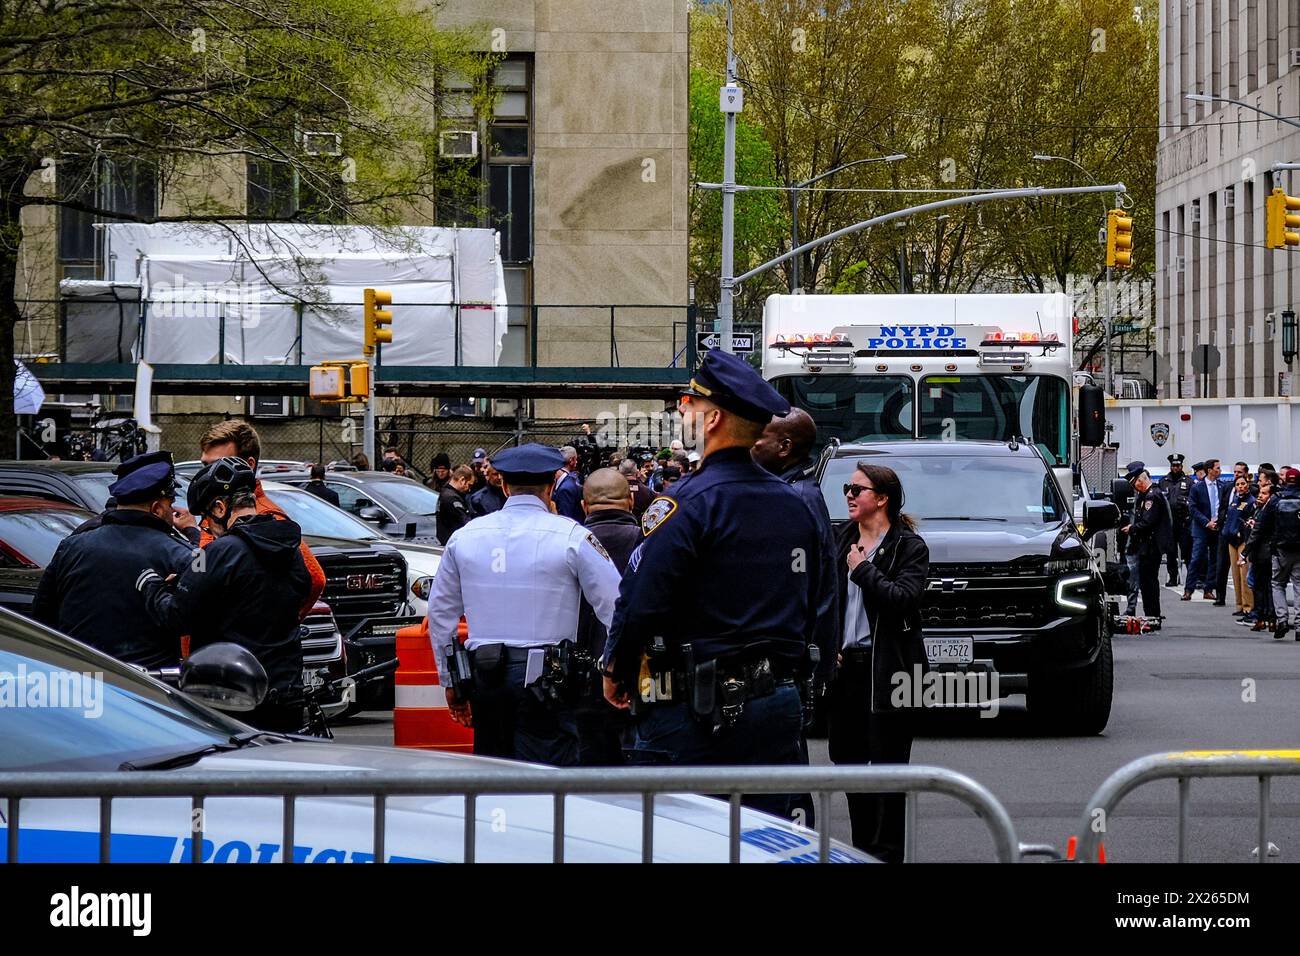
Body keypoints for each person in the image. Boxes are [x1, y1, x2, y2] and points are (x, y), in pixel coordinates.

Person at [602, 349, 824, 819]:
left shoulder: (686, 503)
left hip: (693, 712)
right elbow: (814, 600)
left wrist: (616, 668)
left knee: (679, 841)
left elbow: (641, 599)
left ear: (714, 418)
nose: (682, 410)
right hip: (775, 705)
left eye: (689, 403)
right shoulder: (795, 504)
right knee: (761, 840)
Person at [424, 443, 623, 765]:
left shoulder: (467, 535)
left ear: (503, 484)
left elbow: (441, 614)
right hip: (549, 678)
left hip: (485, 674)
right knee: (549, 773)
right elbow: (614, 605)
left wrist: (451, 681)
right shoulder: (570, 536)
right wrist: (615, 667)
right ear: (551, 486)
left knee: (494, 769)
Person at [137, 457, 312, 732]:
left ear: (220, 507)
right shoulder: (291, 549)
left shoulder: (215, 552)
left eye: (206, 522)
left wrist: (151, 585)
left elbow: (176, 616)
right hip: (286, 693)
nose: (207, 530)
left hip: (233, 697)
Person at [829, 461, 929, 862]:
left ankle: (887, 855)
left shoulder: (909, 546)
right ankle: (862, 852)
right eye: (847, 490)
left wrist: (863, 569)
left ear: (882, 499)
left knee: (888, 769)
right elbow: (822, 596)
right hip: (845, 666)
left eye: (858, 489)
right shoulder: (840, 538)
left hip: (888, 668)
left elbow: (901, 599)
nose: (850, 496)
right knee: (849, 764)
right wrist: (827, 639)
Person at [751, 405, 840, 830]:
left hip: (786, 662)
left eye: (761, 438)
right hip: (790, 659)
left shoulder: (799, 498)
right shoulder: (790, 491)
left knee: (785, 779)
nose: (752, 443)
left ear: (785, 447)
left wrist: (815, 664)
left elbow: (820, 589)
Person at [31, 451, 194, 668]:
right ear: (157, 508)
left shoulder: (72, 546)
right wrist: (194, 536)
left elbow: (41, 617)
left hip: (77, 679)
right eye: (170, 502)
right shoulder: (179, 554)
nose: (173, 509)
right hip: (145, 688)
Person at [197, 420, 324, 619]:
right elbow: (201, 572)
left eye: (218, 466)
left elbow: (315, 579)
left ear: (248, 465)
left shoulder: (266, 516)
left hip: (234, 647)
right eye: (205, 465)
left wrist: (277, 625)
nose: (206, 474)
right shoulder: (214, 511)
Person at [573, 468, 642, 765]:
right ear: (630, 502)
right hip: (640, 673)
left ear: (584, 506)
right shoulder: (647, 541)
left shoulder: (571, 543)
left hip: (579, 675)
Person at [1250, 467, 1300, 640]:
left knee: (1277, 584)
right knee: (1299, 585)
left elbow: (1262, 525)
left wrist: (1248, 549)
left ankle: (1282, 620)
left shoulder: (1277, 499)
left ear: (1285, 481)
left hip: (1280, 549)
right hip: (1299, 549)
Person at [1120, 462, 1171, 621]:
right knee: (1147, 580)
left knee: (1149, 581)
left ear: (1140, 481)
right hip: (1146, 545)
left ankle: (1152, 614)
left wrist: (1132, 528)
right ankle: (1152, 612)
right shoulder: (1147, 495)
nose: (1135, 488)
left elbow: (1148, 522)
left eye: (1135, 484)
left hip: (1151, 545)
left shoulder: (1152, 496)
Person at [1185, 458, 1227, 602]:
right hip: (1201, 527)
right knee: (1196, 558)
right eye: (1217, 468)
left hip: (1217, 527)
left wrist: (1218, 520)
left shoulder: (1222, 486)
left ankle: (1209, 589)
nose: (1219, 471)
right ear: (1209, 470)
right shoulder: (1197, 487)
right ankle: (1188, 589)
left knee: (1215, 559)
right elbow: (1193, 508)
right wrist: (1206, 522)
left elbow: (1223, 506)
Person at [1243, 476, 1276, 631]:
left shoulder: (1267, 511)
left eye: (1264, 493)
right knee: (1261, 586)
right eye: (1260, 493)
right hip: (1260, 553)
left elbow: (1256, 533)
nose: (1260, 496)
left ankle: (1267, 618)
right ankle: (1266, 618)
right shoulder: (1258, 509)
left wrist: (1244, 554)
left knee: (1263, 586)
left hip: (1264, 554)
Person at [1223, 474, 1256, 620]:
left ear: (1247, 485)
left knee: (1244, 575)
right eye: (1238, 484)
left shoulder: (1251, 501)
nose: (1240, 487)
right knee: (1235, 575)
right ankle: (1239, 605)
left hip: (1243, 541)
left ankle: (1248, 606)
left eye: (1243, 484)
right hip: (1231, 540)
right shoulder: (1234, 501)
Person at [1158, 454, 1193, 587]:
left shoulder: (1188, 482)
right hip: (1169, 523)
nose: (1176, 468)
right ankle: (1172, 577)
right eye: (1173, 465)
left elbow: (1193, 501)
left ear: (1182, 466)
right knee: (1171, 552)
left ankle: (1191, 579)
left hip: (1183, 522)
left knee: (1187, 552)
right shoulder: (1163, 482)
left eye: (1178, 465)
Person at [436, 464, 475, 544]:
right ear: (462, 480)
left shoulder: (445, 493)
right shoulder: (451, 499)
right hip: (453, 542)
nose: (469, 489)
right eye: (469, 485)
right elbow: (466, 524)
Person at [552, 445, 584, 522]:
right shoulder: (570, 482)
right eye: (576, 459)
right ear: (571, 460)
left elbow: (565, 519)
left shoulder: (566, 488)